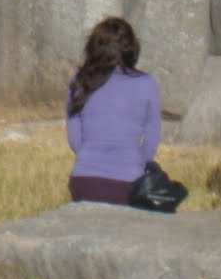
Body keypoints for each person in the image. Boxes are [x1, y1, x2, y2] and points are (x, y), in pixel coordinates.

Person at [65, 16, 162, 204]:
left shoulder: (79, 81)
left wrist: (91, 159)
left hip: (84, 180)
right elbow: (152, 138)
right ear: (132, 48)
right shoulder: (146, 84)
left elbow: (74, 139)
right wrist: (136, 164)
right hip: (128, 182)